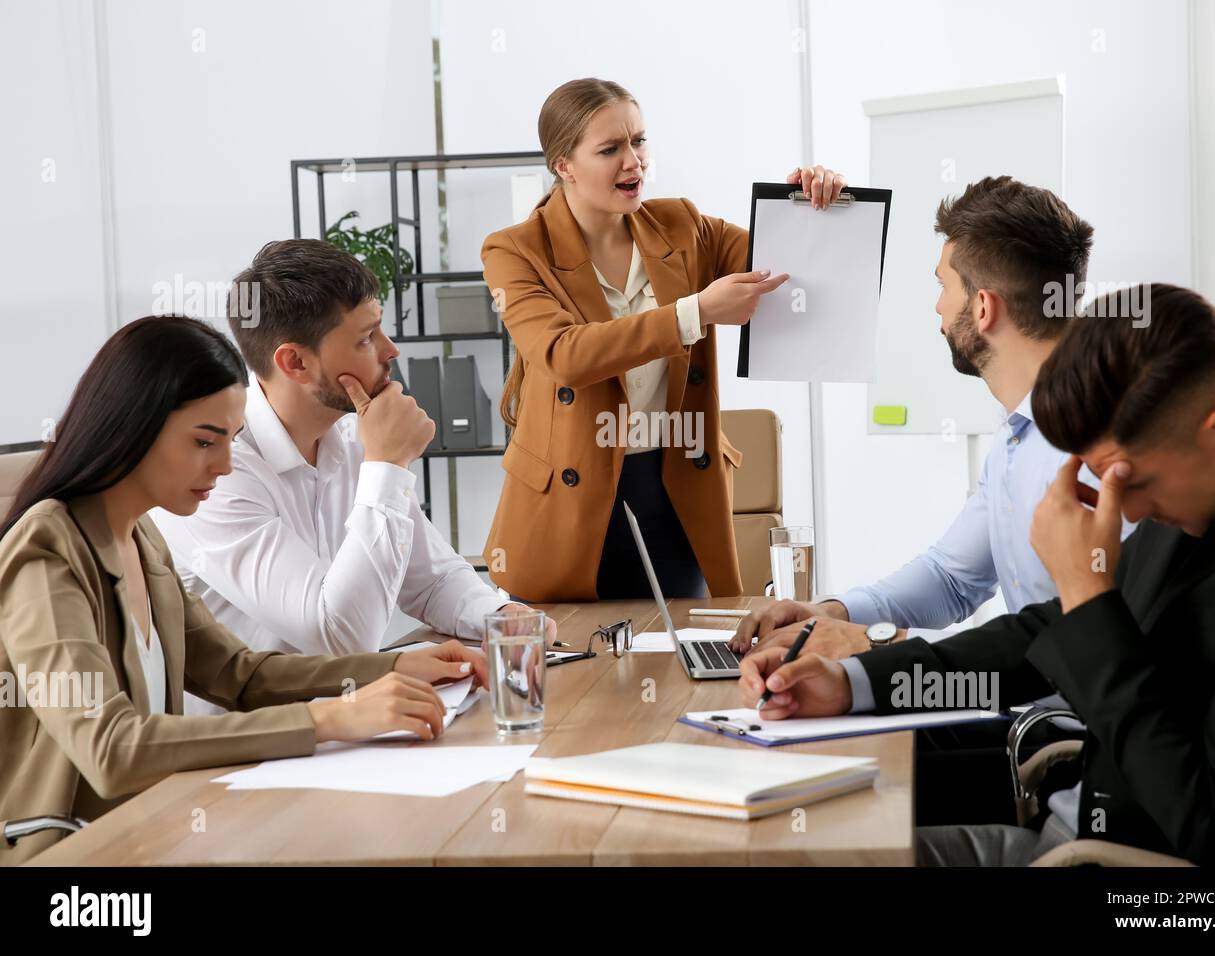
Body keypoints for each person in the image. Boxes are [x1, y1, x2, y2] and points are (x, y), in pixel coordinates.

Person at [738, 284, 1215, 865]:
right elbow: (1044, 635)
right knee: (781, 851)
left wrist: (1087, 595)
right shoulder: (1200, 480)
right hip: (1064, 827)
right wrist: (851, 681)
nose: (1127, 512)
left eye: (1129, 483)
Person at [0, 316, 488, 865]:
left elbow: (239, 675)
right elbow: (113, 748)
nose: (225, 465)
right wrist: (330, 718)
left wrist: (392, 669)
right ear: (131, 427)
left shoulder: (141, 538)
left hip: (157, 831)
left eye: (230, 440)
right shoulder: (47, 550)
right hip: (78, 856)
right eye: (204, 441)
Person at [730, 176, 1109, 824]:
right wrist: (832, 612)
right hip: (1022, 715)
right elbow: (951, 575)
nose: (937, 309)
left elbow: (1070, 632)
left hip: (1063, 748)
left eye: (944, 286)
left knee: (819, 801)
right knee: (795, 753)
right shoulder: (1021, 432)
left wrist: (870, 645)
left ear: (983, 308)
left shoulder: (1089, 446)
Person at [481, 76, 846, 602]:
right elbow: (565, 355)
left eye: (639, 140)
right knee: (574, 672)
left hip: (674, 488)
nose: (634, 161)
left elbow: (793, 268)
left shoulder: (683, 225)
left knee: (686, 666)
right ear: (564, 166)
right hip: (568, 503)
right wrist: (694, 313)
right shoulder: (514, 251)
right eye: (610, 149)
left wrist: (812, 204)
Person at [152, 240, 551, 715]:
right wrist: (386, 466)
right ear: (294, 363)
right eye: (366, 339)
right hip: (249, 756)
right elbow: (339, 639)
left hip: (345, 727)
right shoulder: (220, 470)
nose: (391, 351)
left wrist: (502, 618)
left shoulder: (352, 436)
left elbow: (430, 580)